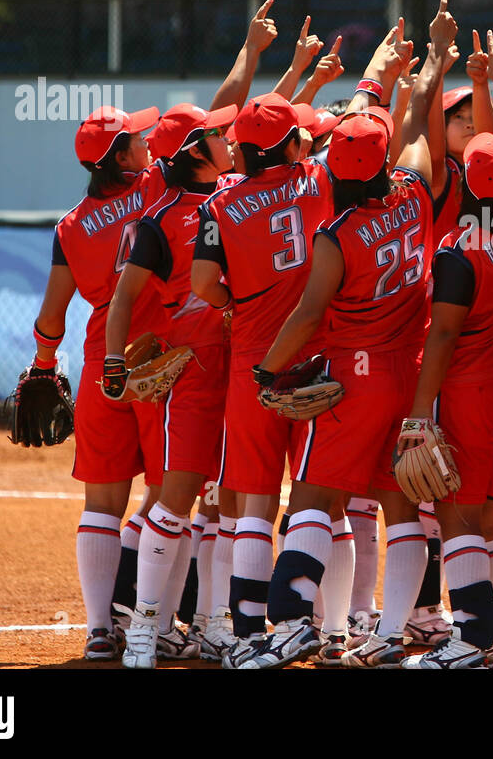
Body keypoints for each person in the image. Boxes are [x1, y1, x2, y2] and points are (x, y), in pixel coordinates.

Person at [241, 0, 448, 670]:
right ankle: (389, 631)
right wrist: (430, 64)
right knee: (398, 502)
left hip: (354, 376)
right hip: (409, 370)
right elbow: (419, 131)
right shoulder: (416, 195)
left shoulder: (336, 232)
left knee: (313, 498)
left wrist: (268, 371)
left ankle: (294, 623)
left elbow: (304, 316)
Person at [400, 34, 493, 668]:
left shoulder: (458, 248)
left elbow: (444, 335)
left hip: (470, 393)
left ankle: (473, 636)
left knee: (457, 520)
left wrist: (420, 409)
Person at [190, 93, 335, 664]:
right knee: (316, 491)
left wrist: (234, 304)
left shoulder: (221, 202)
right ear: (292, 144)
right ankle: (322, 620)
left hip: (254, 352)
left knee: (252, 496)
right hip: (319, 349)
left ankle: (248, 631)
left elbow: (203, 281)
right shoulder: (316, 179)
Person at [102, 102, 239, 669]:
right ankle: (143, 626)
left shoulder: (238, 195)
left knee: (227, 501)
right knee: (176, 497)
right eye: (215, 133)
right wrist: (112, 361)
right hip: (198, 368)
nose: (227, 135)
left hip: (246, 359)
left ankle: (212, 623)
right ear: (195, 155)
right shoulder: (160, 222)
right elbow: (124, 297)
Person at [31, 105, 164, 661]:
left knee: (101, 502)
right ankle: (154, 612)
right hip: (163, 354)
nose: (149, 142)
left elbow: (53, 312)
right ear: (121, 155)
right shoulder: (159, 186)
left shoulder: (69, 225)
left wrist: (42, 366)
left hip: (102, 364)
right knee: (170, 492)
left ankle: (98, 629)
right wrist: (253, 55)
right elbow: (211, 126)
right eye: (138, 137)